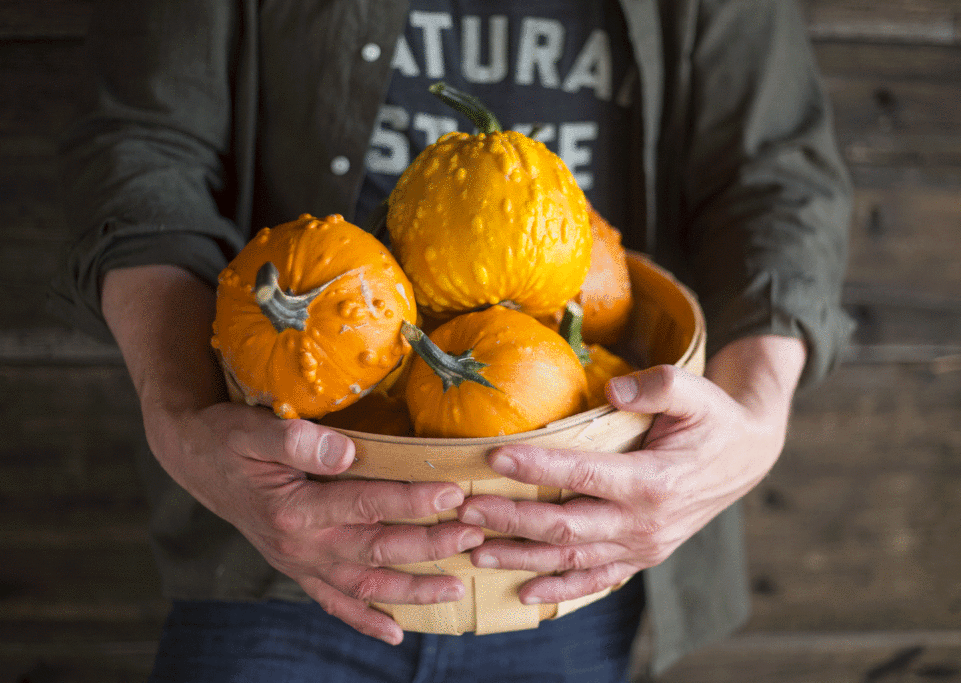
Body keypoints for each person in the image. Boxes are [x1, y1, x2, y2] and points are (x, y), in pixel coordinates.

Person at [50, 0, 853, 680]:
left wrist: (755, 417)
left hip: (575, 546)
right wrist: (180, 410)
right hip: (275, 537)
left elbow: (775, 175)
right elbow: (141, 143)